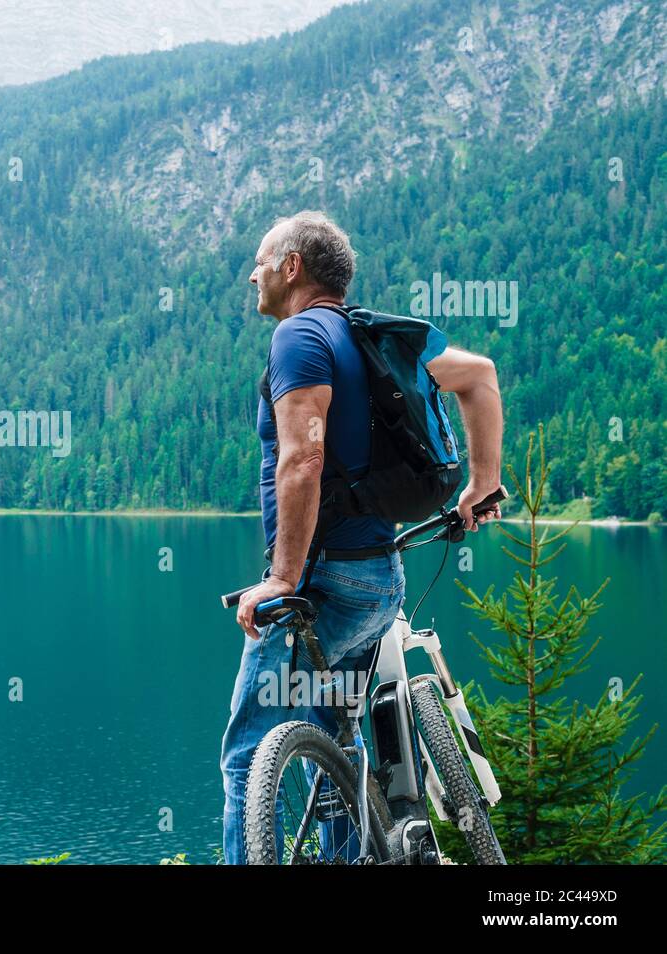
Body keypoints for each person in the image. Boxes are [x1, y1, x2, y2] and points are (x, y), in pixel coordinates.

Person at [220, 210, 504, 864]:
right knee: (337, 738)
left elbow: (303, 461)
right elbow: (481, 378)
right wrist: (481, 485)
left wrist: (283, 579)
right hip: (379, 584)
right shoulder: (377, 338)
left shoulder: (298, 338)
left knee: (248, 756)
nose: (252, 273)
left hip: (322, 588)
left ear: (292, 267)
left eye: (260, 261)